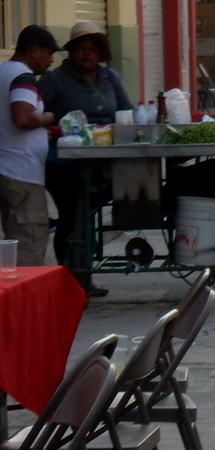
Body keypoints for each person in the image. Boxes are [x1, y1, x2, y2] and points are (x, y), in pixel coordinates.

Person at [39, 22, 130, 296]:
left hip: (103, 161)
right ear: (70, 52)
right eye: (79, 48)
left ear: (100, 53)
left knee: (87, 216)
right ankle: (69, 283)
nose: (86, 53)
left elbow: (126, 112)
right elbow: (36, 116)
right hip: (62, 162)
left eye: (91, 48)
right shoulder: (54, 80)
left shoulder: (110, 78)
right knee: (71, 216)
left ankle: (83, 279)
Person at [0, 26, 60, 266]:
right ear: (35, 50)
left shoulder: (3, 71)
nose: (51, 60)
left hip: (7, 169)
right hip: (21, 173)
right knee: (29, 242)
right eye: (49, 53)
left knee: (13, 239)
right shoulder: (23, 77)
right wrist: (47, 118)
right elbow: (22, 118)